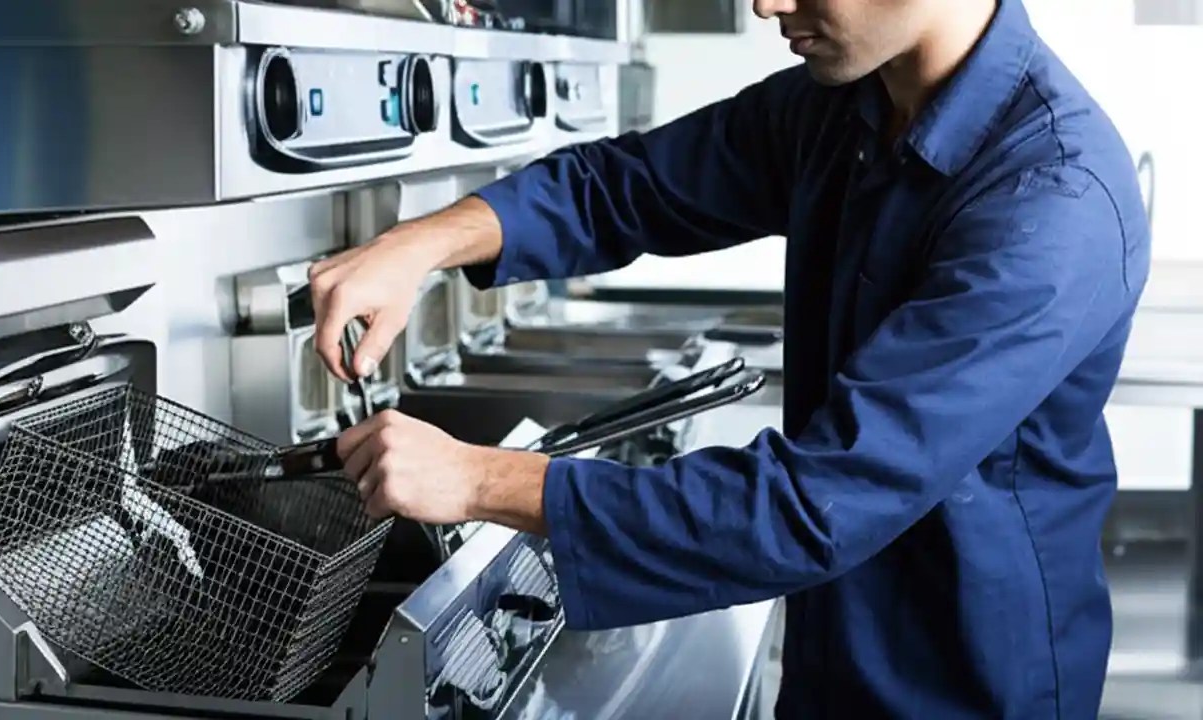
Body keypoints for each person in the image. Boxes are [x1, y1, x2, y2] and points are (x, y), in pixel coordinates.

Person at [309, 0, 1151, 716]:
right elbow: (629, 186)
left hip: (963, 683)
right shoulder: (843, 110)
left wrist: (477, 481)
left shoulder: (1052, 199)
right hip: (832, 655)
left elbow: (812, 505)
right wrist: (419, 245)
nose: (763, 3)